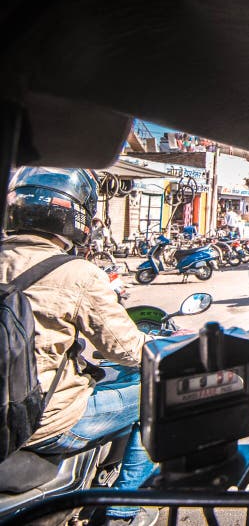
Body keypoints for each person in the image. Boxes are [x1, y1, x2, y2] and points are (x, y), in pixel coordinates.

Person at [0, 167, 158, 526]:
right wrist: (163, 346)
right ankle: (123, 510)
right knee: (155, 394)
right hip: (42, 422)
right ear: (77, 216)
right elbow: (129, 350)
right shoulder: (78, 273)